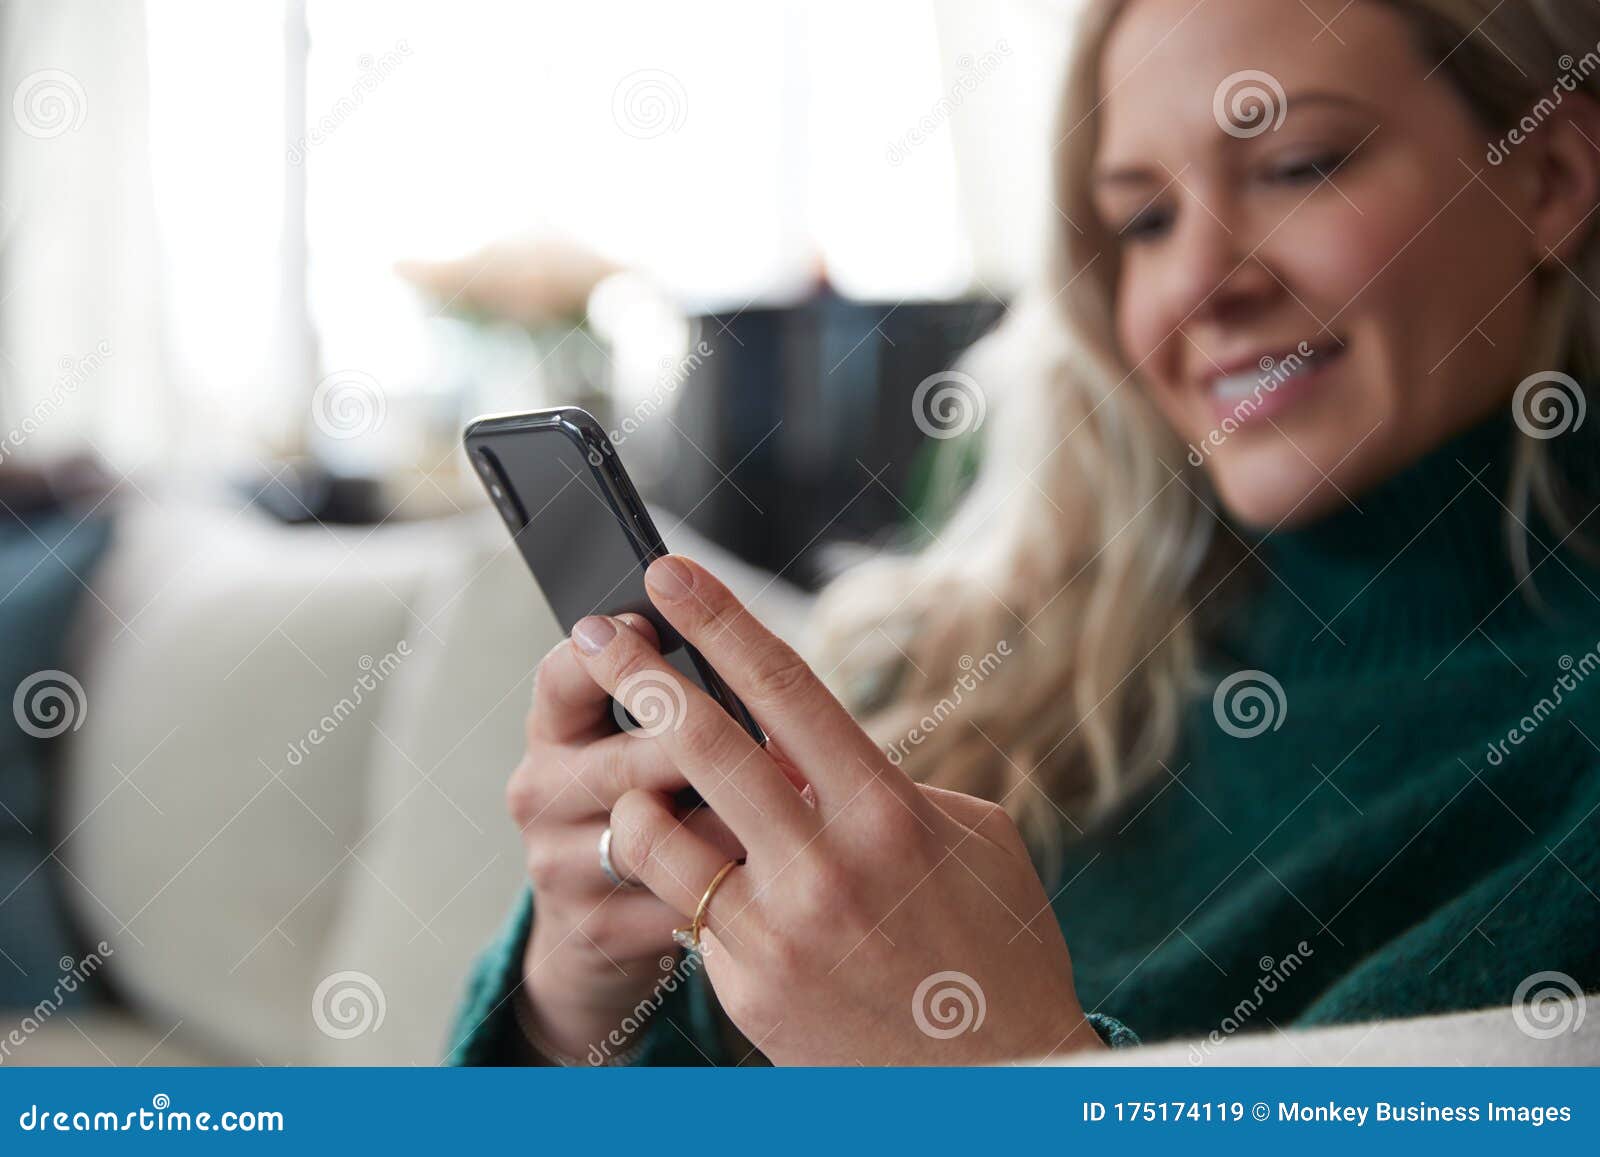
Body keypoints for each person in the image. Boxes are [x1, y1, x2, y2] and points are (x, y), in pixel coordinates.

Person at [449, 0, 1600, 1065]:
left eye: (1298, 166)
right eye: (1141, 220)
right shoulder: (962, 672)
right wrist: (582, 992)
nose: (1197, 283)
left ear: (1549, 175)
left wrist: (1007, 1073)